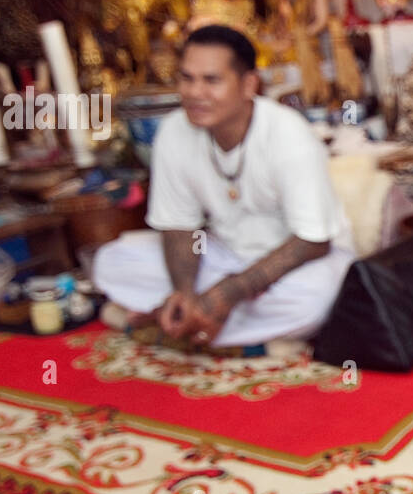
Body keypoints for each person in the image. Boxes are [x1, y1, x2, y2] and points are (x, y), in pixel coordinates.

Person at [94, 25, 354, 351]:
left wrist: (227, 294)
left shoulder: (288, 134)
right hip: (224, 254)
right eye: (186, 78)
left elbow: (313, 242)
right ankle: (221, 327)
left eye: (211, 80)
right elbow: (179, 227)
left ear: (248, 85)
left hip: (301, 263)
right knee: (112, 261)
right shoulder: (174, 132)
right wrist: (185, 293)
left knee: (317, 299)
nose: (195, 92)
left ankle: (176, 323)